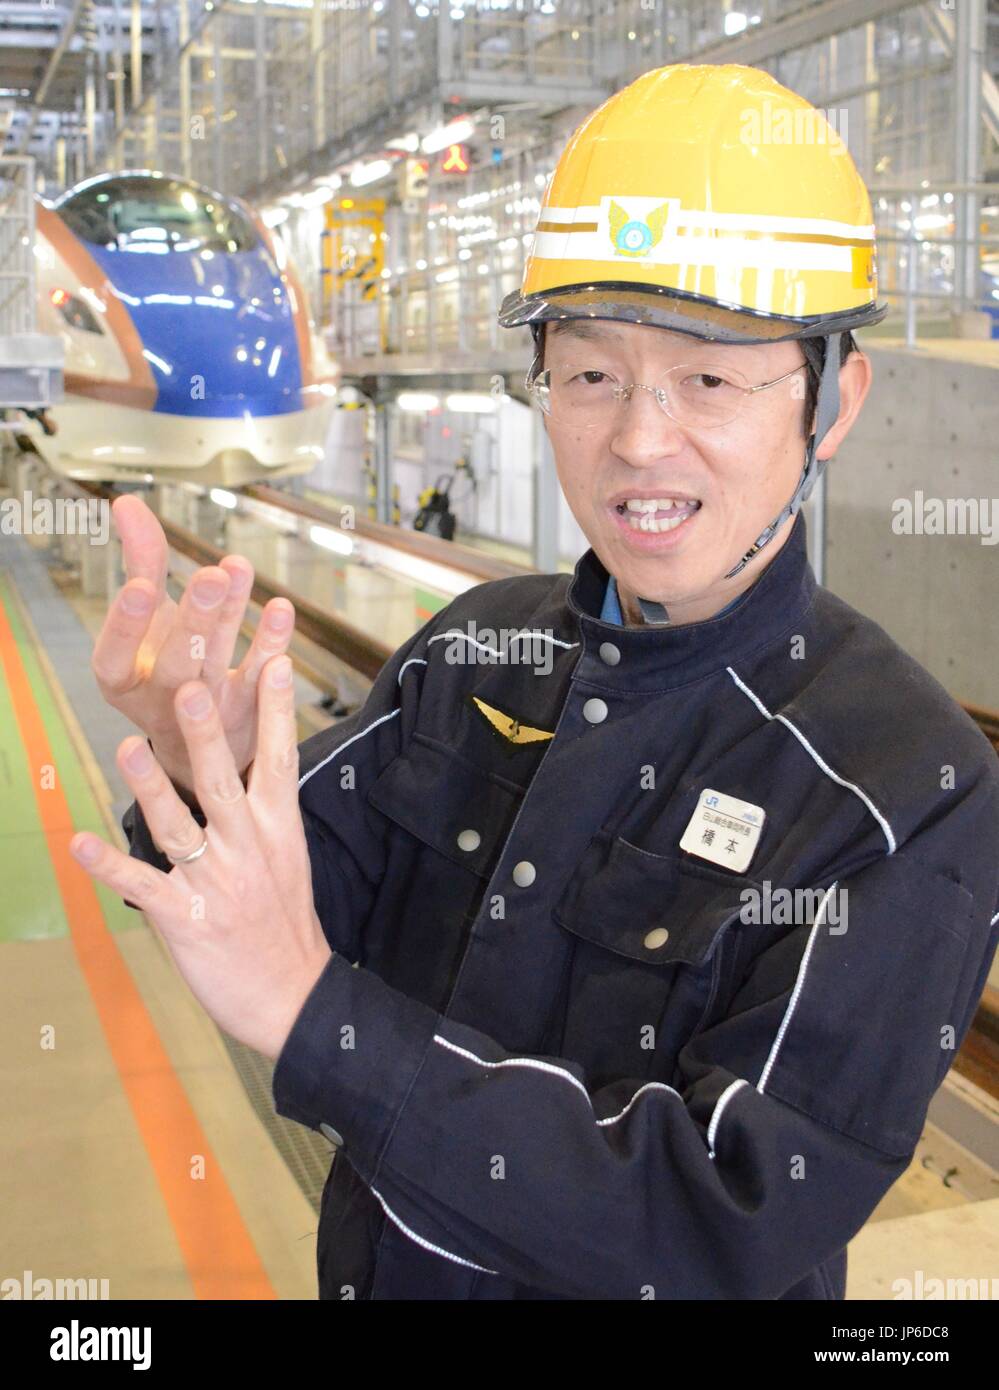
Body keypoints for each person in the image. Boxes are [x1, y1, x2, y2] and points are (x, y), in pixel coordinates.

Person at [74, 63, 999, 1301]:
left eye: (709, 377)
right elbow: (287, 896)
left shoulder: (902, 787)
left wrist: (316, 1020)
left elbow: (716, 1219)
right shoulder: (474, 651)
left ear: (834, 400)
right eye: (590, 371)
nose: (638, 438)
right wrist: (208, 762)